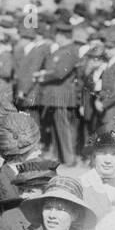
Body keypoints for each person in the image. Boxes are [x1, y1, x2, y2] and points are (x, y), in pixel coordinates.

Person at [35, 14, 81, 165]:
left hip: (63, 96)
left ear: (62, 35)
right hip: (55, 97)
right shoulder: (62, 49)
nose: (56, 37)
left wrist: (43, 75)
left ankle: (69, 159)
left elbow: (60, 72)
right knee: (58, 129)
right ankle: (61, 158)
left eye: (58, 35)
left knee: (64, 130)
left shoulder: (69, 51)